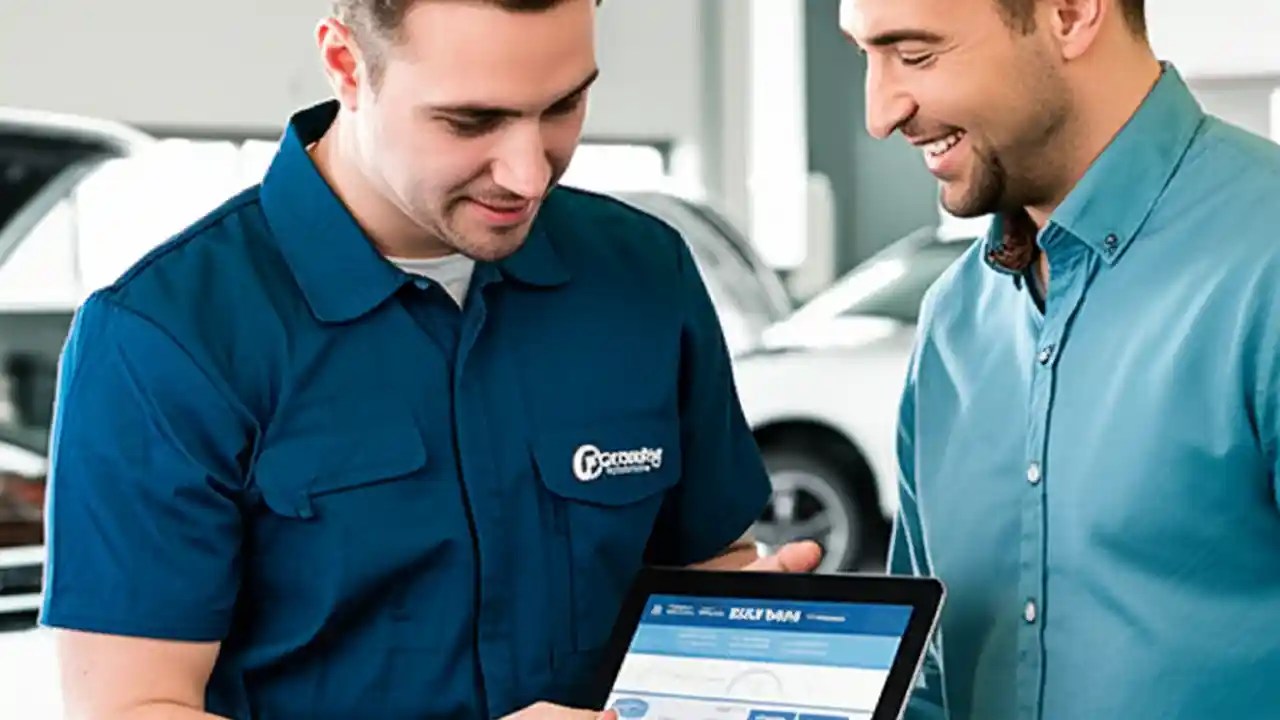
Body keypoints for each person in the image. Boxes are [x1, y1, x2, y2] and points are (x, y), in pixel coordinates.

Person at [40, 1, 822, 718]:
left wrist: (759, 646)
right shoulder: (164, 338)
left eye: (563, 106)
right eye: (471, 121)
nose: (529, 173)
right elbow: (132, 707)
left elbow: (705, 567)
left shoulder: (645, 275)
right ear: (347, 65)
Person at [841, 0, 1280, 717]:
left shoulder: (1267, 260)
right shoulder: (953, 322)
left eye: (915, 55)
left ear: (1072, 13)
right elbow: (932, 684)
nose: (879, 113)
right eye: (865, 54)